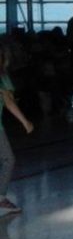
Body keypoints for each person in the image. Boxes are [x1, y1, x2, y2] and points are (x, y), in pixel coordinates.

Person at [0, 46, 34, 214]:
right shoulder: (2, 78)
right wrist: (25, 122)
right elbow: (9, 102)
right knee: (8, 160)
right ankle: (0, 200)